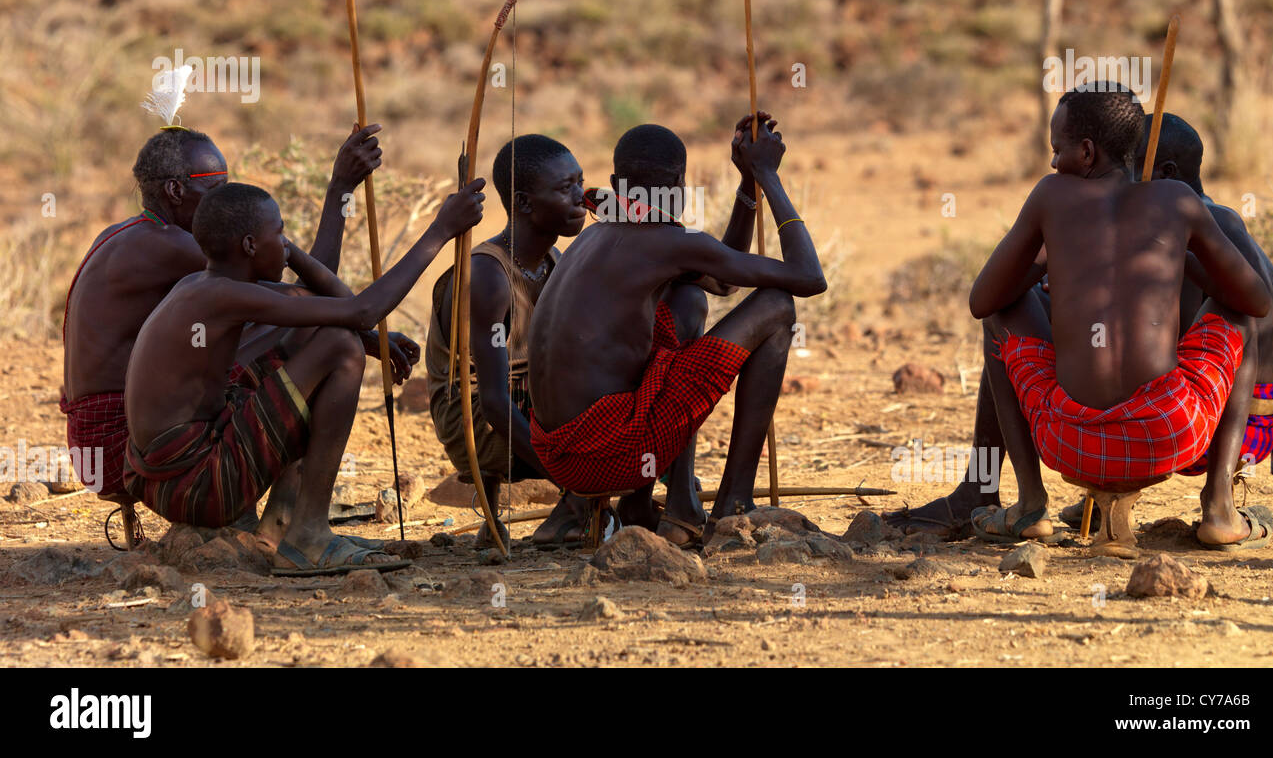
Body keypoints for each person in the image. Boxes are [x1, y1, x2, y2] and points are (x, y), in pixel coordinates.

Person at [122, 178, 484, 575]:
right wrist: (440, 230)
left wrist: (365, 332)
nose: (287, 242)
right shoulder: (221, 295)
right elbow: (361, 311)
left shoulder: (208, 285)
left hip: (173, 477)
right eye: (279, 233)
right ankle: (309, 533)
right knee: (340, 349)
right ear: (248, 246)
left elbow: (342, 308)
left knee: (317, 337)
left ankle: (282, 524)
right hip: (195, 486)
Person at [967, 84, 1271, 553]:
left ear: (1086, 152)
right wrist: (1174, 253)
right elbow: (1258, 300)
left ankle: (1030, 503)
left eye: (1056, 149)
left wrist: (1052, 259)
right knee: (1240, 316)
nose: (1052, 163)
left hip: (1067, 440)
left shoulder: (1050, 196)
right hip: (1171, 434)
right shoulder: (1177, 200)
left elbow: (982, 299)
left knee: (999, 314)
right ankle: (1220, 509)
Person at [60, 124, 418, 508]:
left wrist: (358, 330)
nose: (228, 199)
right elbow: (307, 296)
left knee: (299, 331)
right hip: (117, 449)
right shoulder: (172, 247)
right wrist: (340, 188)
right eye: (217, 188)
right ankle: (294, 520)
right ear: (176, 191)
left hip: (94, 445)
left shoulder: (128, 234)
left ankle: (282, 513)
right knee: (305, 343)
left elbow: (296, 301)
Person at [529, 116, 825, 547]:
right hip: (610, 455)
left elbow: (722, 280)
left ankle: (662, 505)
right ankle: (735, 503)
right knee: (778, 306)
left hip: (559, 457)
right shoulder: (669, 242)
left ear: (616, 182)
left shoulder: (597, 236)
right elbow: (809, 276)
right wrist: (767, 175)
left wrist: (748, 185)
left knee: (687, 300)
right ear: (680, 185)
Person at [426, 135, 588, 547]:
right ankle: (577, 505)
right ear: (525, 203)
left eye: (580, 183)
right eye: (565, 188)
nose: (580, 198)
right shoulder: (489, 275)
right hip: (476, 415)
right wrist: (572, 480)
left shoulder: (555, 262)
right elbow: (495, 404)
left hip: (529, 402)